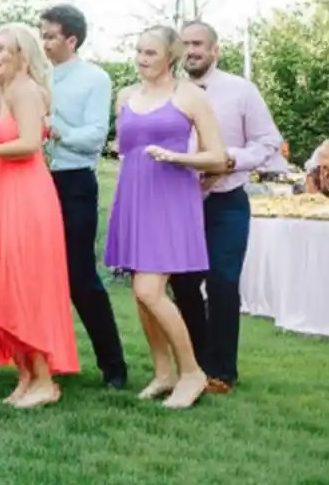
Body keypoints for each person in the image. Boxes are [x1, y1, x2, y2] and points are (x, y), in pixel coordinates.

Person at [0, 24, 79, 409]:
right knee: (6, 283)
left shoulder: (26, 90)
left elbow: (28, 144)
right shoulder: (3, 92)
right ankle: (26, 375)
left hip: (25, 198)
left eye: (3, 49)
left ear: (23, 56)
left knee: (25, 284)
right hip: (1, 197)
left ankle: (44, 379)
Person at [106, 25, 227, 410]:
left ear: (170, 56)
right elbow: (126, 150)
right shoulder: (125, 96)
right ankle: (164, 373)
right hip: (133, 197)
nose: (142, 59)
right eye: (138, 51)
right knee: (141, 297)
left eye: (150, 53)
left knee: (150, 291)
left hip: (171, 198)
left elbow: (218, 157)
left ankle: (192, 372)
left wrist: (178, 158)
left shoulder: (189, 95)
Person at [171, 21, 283, 395]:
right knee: (182, 282)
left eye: (198, 43)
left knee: (222, 280)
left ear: (215, 50)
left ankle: (222, 372)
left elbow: (269, 141)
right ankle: (196, 363)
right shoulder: (167, 92)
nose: (191, 50)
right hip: (181, 201)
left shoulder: (240, 90)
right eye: (184, 43)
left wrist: (229, 160)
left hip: (227, 201)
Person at [39, 4, 129, 388]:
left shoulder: (95, 78)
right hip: (33, 183)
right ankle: (44, 362)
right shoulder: (33, 75)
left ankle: (113, 366)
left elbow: (94, 137)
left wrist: (52, 129)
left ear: (71, 39)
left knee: (79, 276)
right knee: (38, 275)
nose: (42, 42)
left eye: (49, 36)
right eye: (40, 34)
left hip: (74, 181)